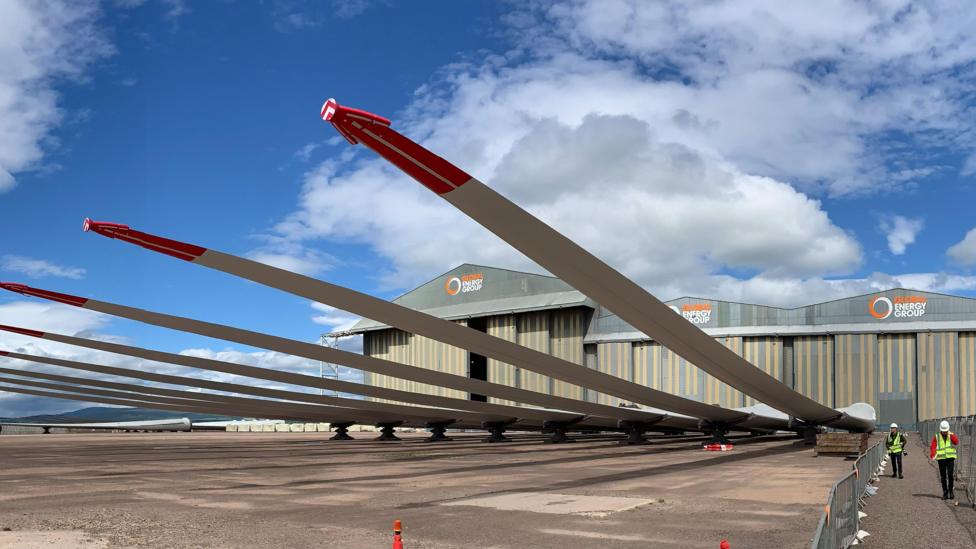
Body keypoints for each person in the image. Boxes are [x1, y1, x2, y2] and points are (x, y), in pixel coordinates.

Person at [930, 420, 960, 500]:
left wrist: (951, 435)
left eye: (946, 431)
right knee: (943, 477)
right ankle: (945, 493)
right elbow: (933, 446)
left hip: (950, 458)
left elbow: (956, 442)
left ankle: (951, 491)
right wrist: (933, 455)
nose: (944, 432)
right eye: (943, 431)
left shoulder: (951, 435)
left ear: (948, 429)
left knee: (950, 475)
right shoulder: (937, 436)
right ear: (941, 430)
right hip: (941, 459)